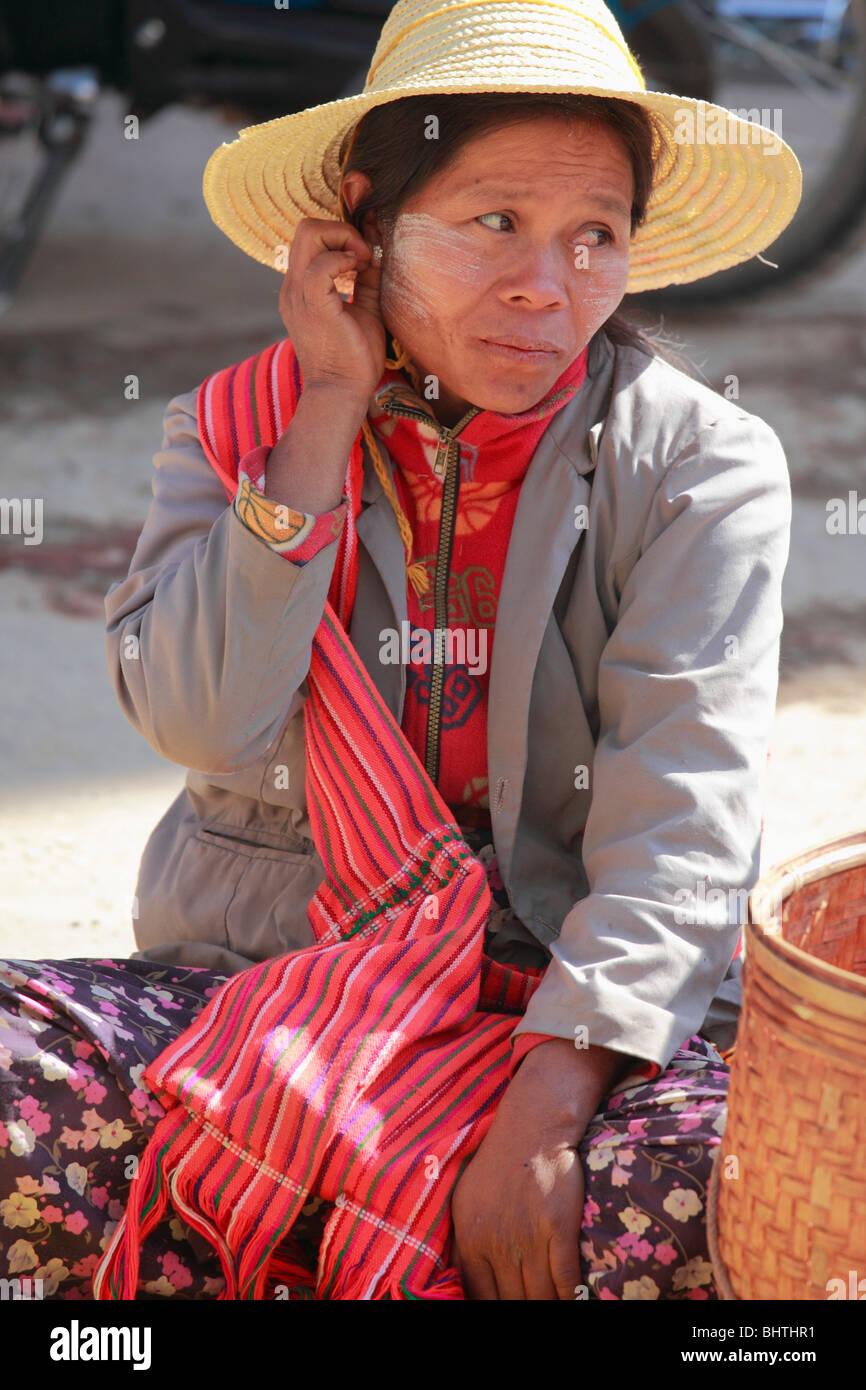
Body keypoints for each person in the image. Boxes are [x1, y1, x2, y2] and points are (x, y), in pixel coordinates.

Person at [0, 0, 800, 1300]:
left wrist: (543, 1111)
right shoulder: (235, 427)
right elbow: (202, 719)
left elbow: (681, 822)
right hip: (257, 995)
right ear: (365, 226)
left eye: (594, 235)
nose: (547, 283)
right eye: (493, 222)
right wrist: (321, 414)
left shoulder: (699, 469)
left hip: (576, 1022)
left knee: (747, 1196)